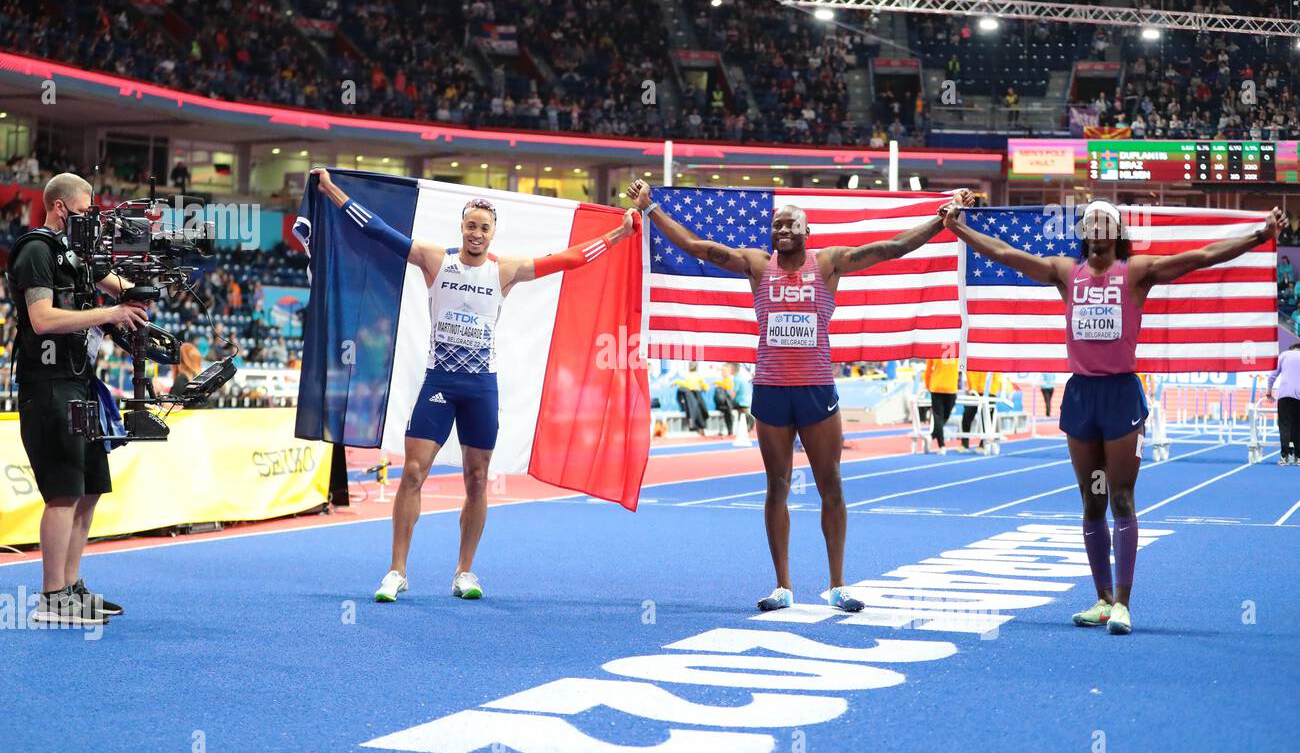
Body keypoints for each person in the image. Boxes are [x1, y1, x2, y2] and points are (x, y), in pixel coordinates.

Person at [945, 195, 1285, 635]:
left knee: (1122, 498)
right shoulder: (1066, 273)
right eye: (1092, 221)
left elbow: (1200, 257)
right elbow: (1006, 254)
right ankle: (1102, 599)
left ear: (1118, 232)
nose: (1099, 226)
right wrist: (959, 228)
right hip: (1082, 396)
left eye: (1107, 220)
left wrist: (1260, 235)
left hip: (1122, 396)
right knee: (1092, 501)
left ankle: (1123, 604)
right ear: (1084, 233)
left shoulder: (1137, 272)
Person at [309, 169, 636, 603]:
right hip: (439, 382)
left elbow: (570, 259)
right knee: (411, 472)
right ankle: (396, 571)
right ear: (461, 227)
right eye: (471, 226)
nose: (477, 233)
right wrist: (331, 190)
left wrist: (620, 232)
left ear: (493, 232)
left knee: (478, 479)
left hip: (481, 385)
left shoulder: (507, 270)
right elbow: (378, 231)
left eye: (484, 227)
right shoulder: (434, 259)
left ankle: (464, 571)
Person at [630, 179, 957, 612]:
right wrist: (651, 210)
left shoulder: (829, 264)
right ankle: (783, 586)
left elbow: (893, 247)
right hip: (770, 388)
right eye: (777, 225)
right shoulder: (756, 264)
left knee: (831, 486)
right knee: (776, 486)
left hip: (816, 388)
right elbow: (695, 246)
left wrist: (941, 222)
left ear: (807, 232)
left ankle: (838, 585)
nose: (782, 230)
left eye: (791, 225)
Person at [6, 173, 147, 625]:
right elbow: (43, 319)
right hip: (48, 387)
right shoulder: (37, 249)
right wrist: (111, 312)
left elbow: (126, 290)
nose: (93, 219)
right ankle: (51, 598)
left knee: (88, 491)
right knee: (63, 494)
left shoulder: (80, 255)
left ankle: (70, 586)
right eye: (87, 211)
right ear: (61, 207)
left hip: (82, 383)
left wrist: (152, 267)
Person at [1266, 343, 1300, 465]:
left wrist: (1269, 393)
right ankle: (1298, 457)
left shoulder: (1284, 355)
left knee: (1285, 426)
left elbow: (1272, 376)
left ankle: (1285, 456)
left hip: (1285, 395)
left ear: (1291, 349)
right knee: (1298, 427)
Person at [960, 369, 1002, 452]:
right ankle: (964, 444)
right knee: (966, 416)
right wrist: (971, 387)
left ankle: (983, 444)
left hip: (989, 391)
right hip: (974, 391)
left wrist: (992, 390)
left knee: (986, 419)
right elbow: (969, 372)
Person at [923, 356, 958, 453]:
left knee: (944, 416)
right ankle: (942, 445)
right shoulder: (934, 349)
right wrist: (928, 385)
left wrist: (927, 384)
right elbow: (928, 370)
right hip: (937, 387)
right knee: (939, 417)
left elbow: (928, 371)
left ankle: (932, 435)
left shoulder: (957, 348)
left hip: (950, 388)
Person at [671, 363, 710, 435]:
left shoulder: (695, 376)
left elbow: (694, 386)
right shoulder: (691, 376)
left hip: (695, 395)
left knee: (697, 409)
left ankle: (697, 425)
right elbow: (691, 385)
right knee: (695, 408)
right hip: (692, 396)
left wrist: (677, 382)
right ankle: (696, 425)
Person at [731, 362, 754, 432]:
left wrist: (729, 401)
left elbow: (733, 393)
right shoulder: (741, 377)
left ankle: (730, 429)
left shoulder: (736, 378)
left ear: (732, 369)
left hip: (741, 402)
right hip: (747, 400)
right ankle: (746, 421)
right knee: (741, 413)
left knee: (726, 406)